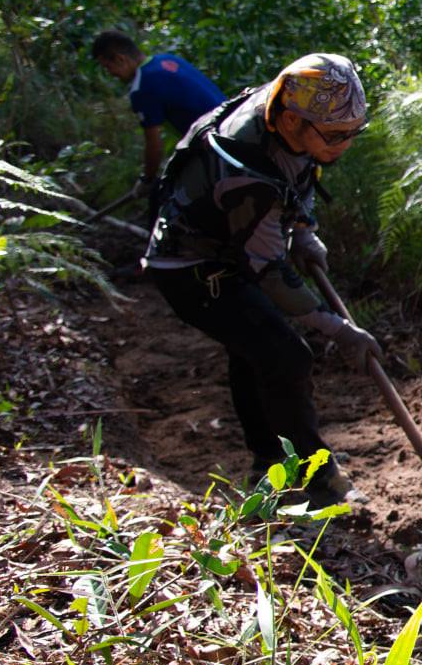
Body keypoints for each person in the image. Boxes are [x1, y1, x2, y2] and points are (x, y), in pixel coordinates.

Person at [143, 53, 380, 504]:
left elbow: (300, 173)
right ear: (291, 120)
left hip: (232, 248)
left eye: (354, 132)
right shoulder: (245, 167)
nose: (346, 144)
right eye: (336, 135)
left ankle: (268, 460)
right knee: (285, 355)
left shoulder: (285, 113)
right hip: (192, 268)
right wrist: (340, 330)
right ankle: (317, 478)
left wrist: (304, 230)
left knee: (256, 352)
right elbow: (271, 273)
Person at [91, 30, 225, 217]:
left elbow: (154, 143)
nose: (111, 74)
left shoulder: (142, 88)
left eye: (108, 67)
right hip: (229, 128)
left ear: (121, 59)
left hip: (215, 148)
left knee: (166, 204)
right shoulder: (167, 60)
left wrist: (147, 179)